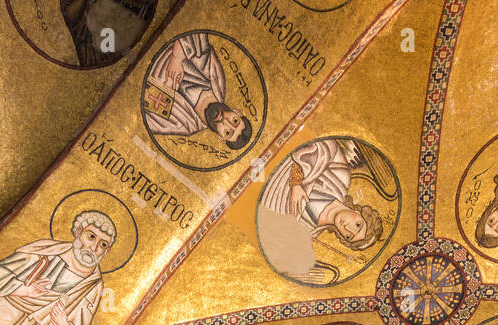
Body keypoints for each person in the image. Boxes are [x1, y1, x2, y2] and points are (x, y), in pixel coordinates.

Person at [258, 138, 385, 280]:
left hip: (256, 187)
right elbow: (323, 146)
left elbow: (268, 232)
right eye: (357, 225)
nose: (347, 228)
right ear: (358, 212)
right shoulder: (340, 176)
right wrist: (296, 184)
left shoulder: (308, 232)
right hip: (274, 150)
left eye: (348, 236)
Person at [143, 33, 251, 151]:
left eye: (228, 132)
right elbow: (194, 33)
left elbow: (140, 110)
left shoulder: (182, 125)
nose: (225, 122)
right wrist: (176, 58)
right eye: (235, 121)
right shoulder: (216, 78)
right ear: (237, 112)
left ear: (221, 138)